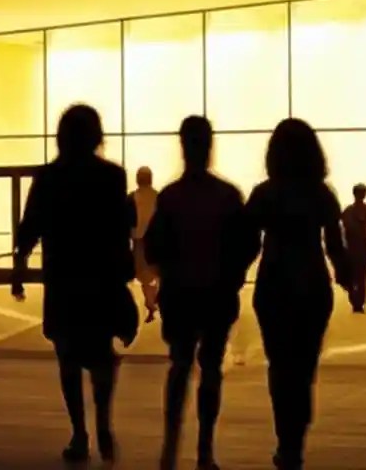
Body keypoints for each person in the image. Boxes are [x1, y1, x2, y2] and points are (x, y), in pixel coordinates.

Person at [12, 104, 136, 464]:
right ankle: (103, 425)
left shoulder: (49, 177)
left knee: (67, 356)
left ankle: (79, 432)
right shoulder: (112, 177)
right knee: (100, 357)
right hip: (100, 277)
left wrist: (19, 268)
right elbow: (119, 229)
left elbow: (29, 226)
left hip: (63, 276)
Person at [145, 116, 253, 470]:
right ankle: (205, 450)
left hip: (180, 295)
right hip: (217, 295)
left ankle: (171, 446)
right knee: (210, 369)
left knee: (179, 365)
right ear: (209, 147)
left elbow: (153, 249)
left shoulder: (172, 197)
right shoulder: (227, 196)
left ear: (182, 147)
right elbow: (248, 243)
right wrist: (232, 276)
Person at [245, 118, 350, 469]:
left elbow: (245, 244)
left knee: (280, 365)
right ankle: (296, 440)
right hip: (311, 285)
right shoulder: (321, 194)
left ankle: (285, 440)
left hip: (274, 284)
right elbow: (335, 247)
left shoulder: (264, 194)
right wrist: (349, 279)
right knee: (304, 367)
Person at [340, 183, 366, 313]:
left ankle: (355, 300)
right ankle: (359, 302)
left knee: (353, 276)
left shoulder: (347, 212)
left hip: (352, 248)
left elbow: (340, 230)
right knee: (361, 276)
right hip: (363, 249)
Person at [128, 166, 160, 323]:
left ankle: (150, 302)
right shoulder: (159, 197)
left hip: (139, 240)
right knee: (156, 273)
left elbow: (126, 222)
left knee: (143, 275)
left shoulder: (132, 197)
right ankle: (153, 300)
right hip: (156, 240)